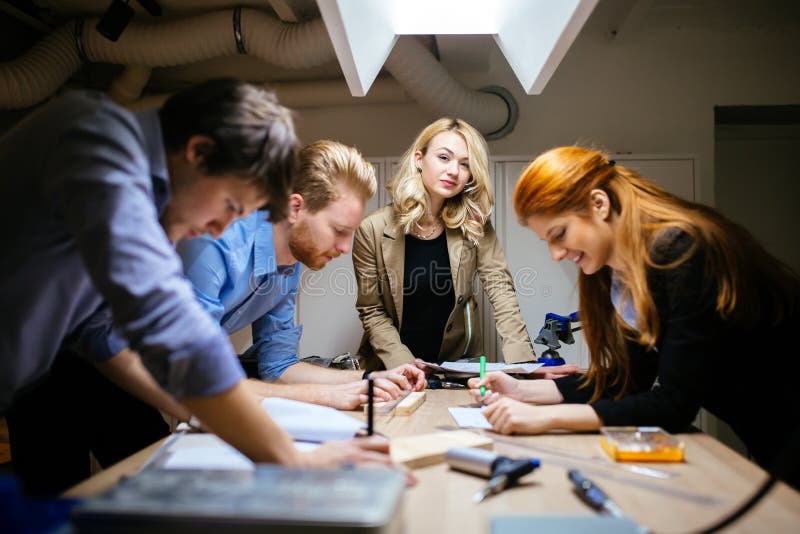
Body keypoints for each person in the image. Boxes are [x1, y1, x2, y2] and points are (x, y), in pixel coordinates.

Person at [0, 79, 393, 495]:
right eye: (230, 206)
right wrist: (294, 459)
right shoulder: (95, 140)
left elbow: (103, 337)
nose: (223, 227)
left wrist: (209, 416)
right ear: (198, 153)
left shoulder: (133, 201)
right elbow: (177, 331)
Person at [469, 146, 800, 487]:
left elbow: (673, 404)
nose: (556, 254)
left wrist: (544, 419)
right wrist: (523, 392)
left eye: (560, 234)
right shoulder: (617, 272)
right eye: (547, 242)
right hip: (763, 426)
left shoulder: (683, 250)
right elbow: (629, 381)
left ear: (600, 205)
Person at [175, 140, 426, 410]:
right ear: (296, 208)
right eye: (339, 230)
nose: (344, 248)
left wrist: (369, 378)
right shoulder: (215, 242)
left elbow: (279, 367)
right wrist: (325, 396)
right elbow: (199, 376)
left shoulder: (288, 265)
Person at [353, 117, 579, 377]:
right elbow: (372, 310)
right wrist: (404, 365)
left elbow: (500, 289)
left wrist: (524, 366)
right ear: (419, 159)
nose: (453, 171)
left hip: (456, 367)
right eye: (444, 158)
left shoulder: (475, 222)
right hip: (392, 369)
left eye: (465, 164)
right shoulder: (371, 229)